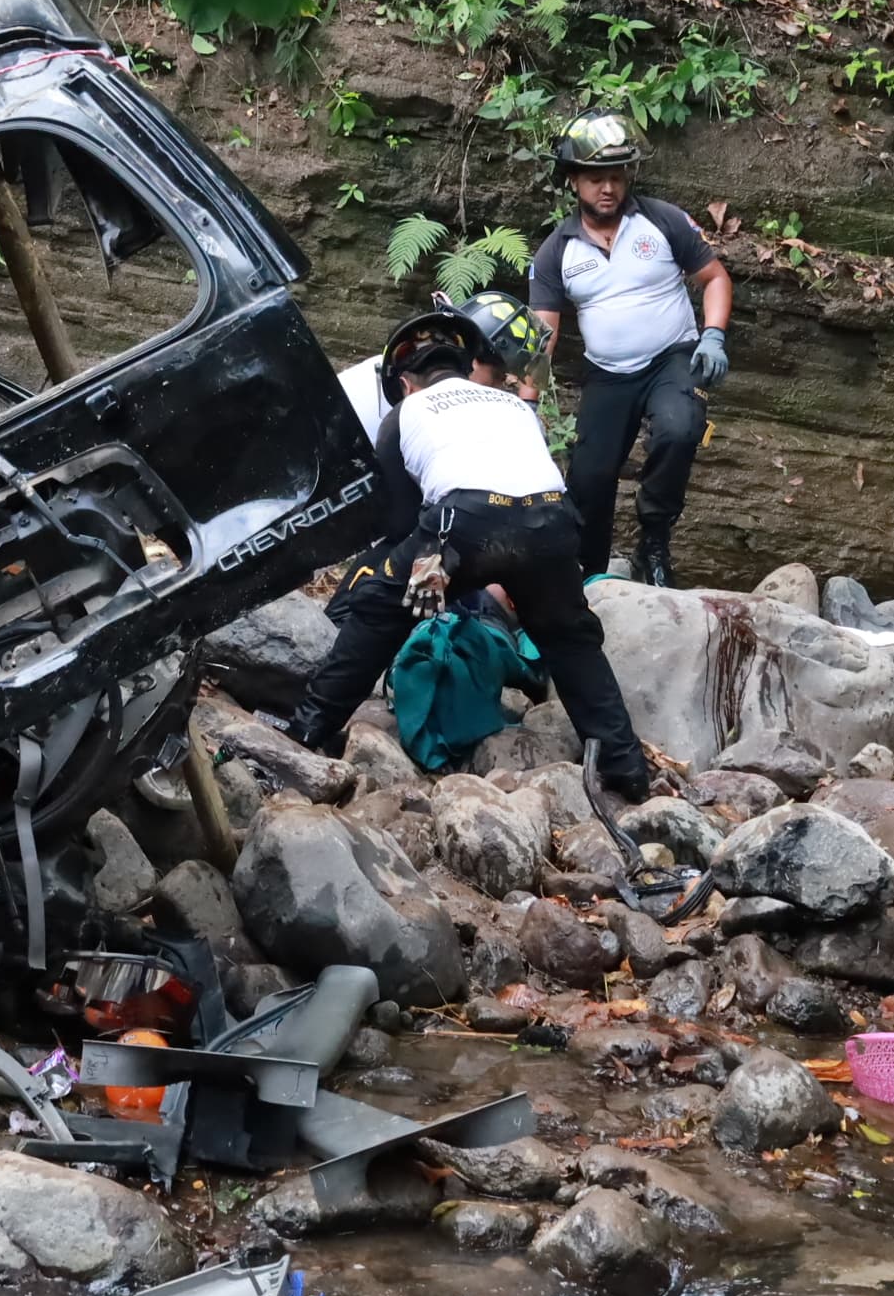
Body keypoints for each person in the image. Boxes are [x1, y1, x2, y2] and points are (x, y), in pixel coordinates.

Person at [284, 300, 655, 802]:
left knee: (378, 610)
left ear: (407, 383)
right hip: (551, 523)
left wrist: (411, 580)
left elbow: (399, 523)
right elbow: (533, 480)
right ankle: (626, 768)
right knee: (571, 641)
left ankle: (308, 731)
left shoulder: (406, 412)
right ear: (467, 369)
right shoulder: (517, 408)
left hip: (465, 525)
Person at [527, 111, 735, 588]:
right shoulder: (557, 251)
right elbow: (543, 334)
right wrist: (528, 401)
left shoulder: (662, 221)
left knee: (680, 430)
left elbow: (715, 277)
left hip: (673, 357)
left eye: (616, 178)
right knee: (589, 479)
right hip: (607, 373)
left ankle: (654, 541)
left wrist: (714, 334)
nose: (608, 189)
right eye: (596, 179)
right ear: (574, 181)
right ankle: (589, 572)